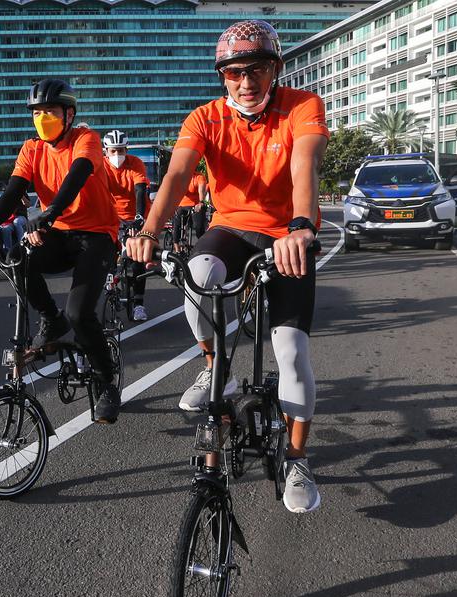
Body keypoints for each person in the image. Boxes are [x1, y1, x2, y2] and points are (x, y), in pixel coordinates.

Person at [126, 20, 329, 513]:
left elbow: (305, 164)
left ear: (275, 69)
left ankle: (297, 457)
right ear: (222, 76)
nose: (246, 81)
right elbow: (176, 174)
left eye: (257, 69)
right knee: (197, 276)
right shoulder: (205, 118)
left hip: (288, 235)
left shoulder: (302, 106)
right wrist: (149, 233)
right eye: (235, 72)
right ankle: (216, 366)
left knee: (291, 352)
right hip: (232, 228)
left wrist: (300, 226)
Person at [0, 78, 122, 424]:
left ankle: (107, 382)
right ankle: (51, 320)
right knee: (17, 259)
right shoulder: (32, 149)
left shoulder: (86, 139)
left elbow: (77, 175)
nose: (43, 119)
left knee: (81, 314)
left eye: (50, 111)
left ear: (69, 114)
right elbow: (14, 190)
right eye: (37, 113)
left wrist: (49, 212)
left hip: (97, 235)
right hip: (60, 234)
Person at [100, 129, 151, 322]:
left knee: (137, 257)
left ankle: (138, 304)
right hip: (112, 215)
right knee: (104, 248)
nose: (117, 155)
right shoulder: (101, 166)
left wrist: (138, 217)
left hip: (135, 214)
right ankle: (111, 279)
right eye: (113, 151)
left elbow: (140, 190)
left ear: (126, 149)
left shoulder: (135, 163)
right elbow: (100, 193)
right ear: (106, 151)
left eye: (121, 150)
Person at [174, 165, 209, 247]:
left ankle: (203, 246)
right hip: (182, 205)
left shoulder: (199, 177)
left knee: (199, 227)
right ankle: (177, 248)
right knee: (176, 224)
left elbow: (201, 190)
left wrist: (201, 202)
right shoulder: (180, 177)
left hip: (196, 206)